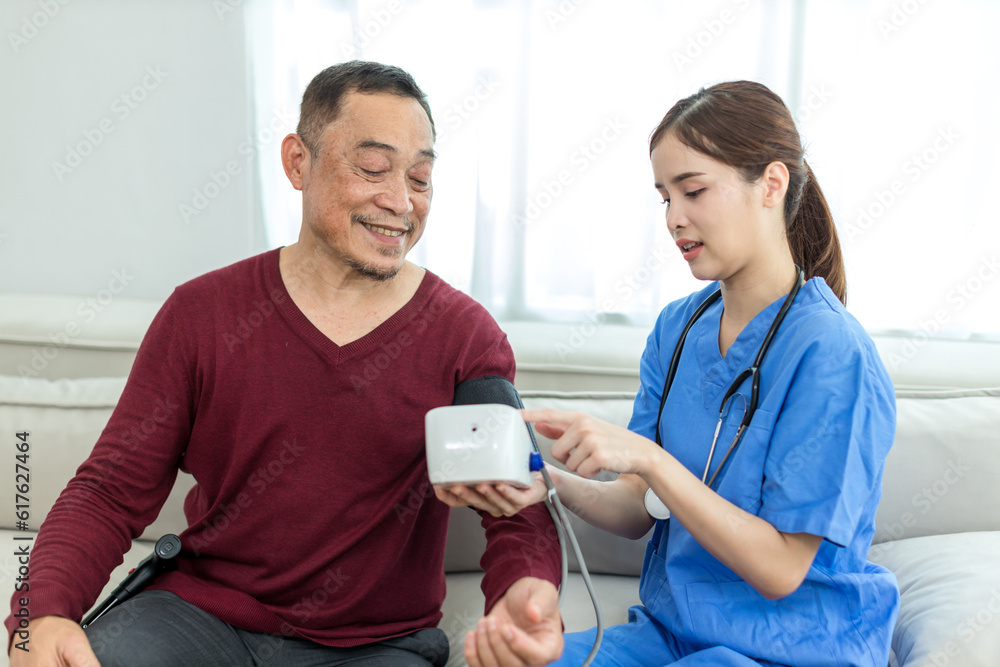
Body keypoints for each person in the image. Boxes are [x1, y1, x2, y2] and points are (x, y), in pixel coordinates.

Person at [5, 61, 563, 667]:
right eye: (373, 168)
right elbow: (109, 492)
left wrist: (525, 591)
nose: (401, 201)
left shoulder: (464, 335)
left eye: (421, 178)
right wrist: (41, 613)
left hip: (376, 647)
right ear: (298, 161)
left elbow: (518, 502)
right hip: (197, 619)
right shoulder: (201, 313)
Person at [454, 81, 900, 666]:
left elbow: (782, 569)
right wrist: (550, 483)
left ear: (771, 184)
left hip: (794, 651)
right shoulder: (679, 329)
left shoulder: (833, 353)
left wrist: (649, 459)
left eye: (693, 191)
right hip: (670, 637)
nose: (674, 218)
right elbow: (639, 509)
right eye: (664, 197)